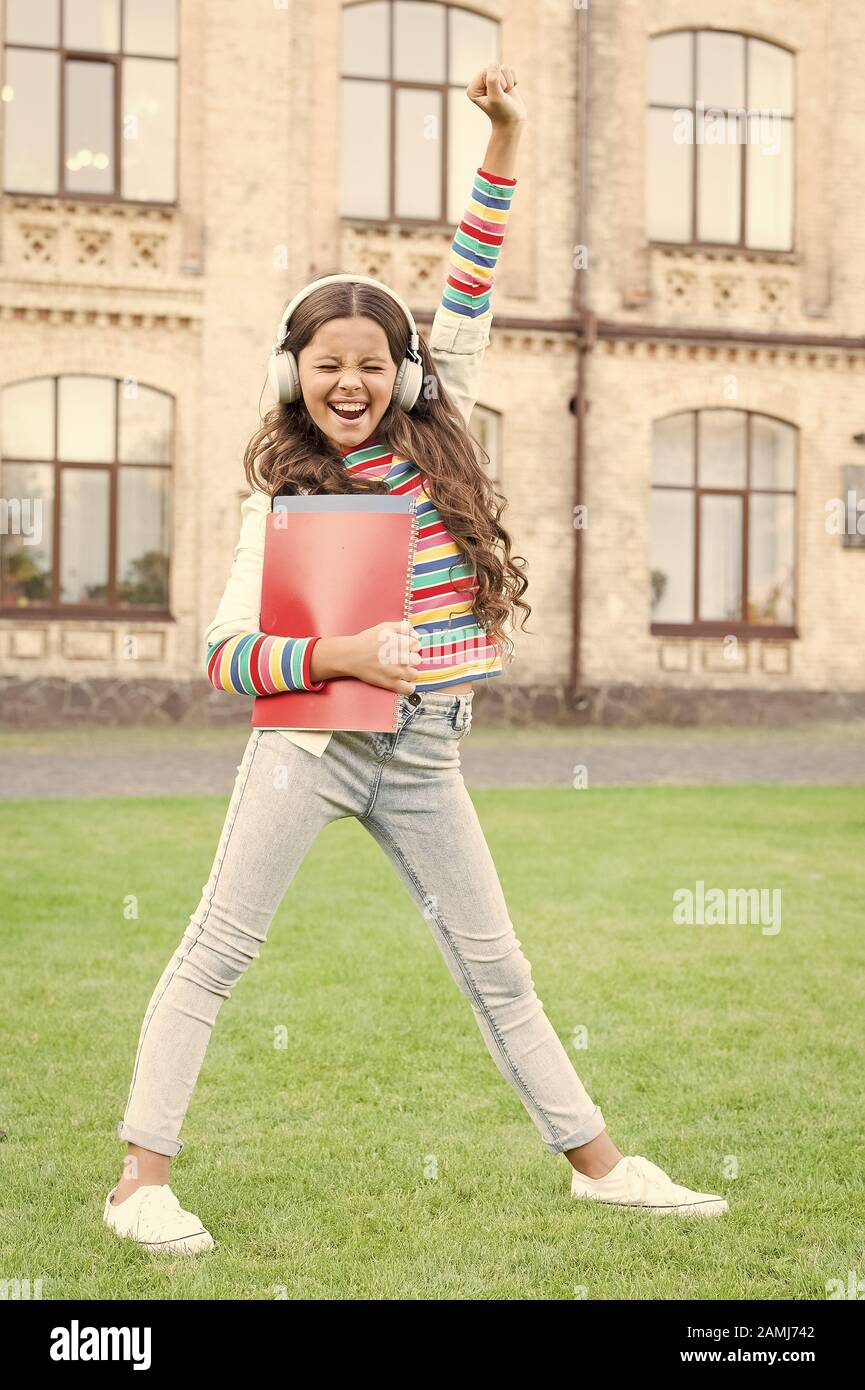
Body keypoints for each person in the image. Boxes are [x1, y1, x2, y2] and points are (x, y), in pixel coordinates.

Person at [104, 64, 727, 1255]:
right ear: (295, 376)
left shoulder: (443, 425)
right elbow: (227, 659)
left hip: (430, 745)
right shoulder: (279, 499)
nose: (352, 380)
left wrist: (505, 135)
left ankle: (600, 1168)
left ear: (407, 373)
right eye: (327, 363)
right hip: (313, 746)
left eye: (373, 362)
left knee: (498, 966)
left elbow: (474, 275)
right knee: (217, 948)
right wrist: (339, 652)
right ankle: (140, 1182)